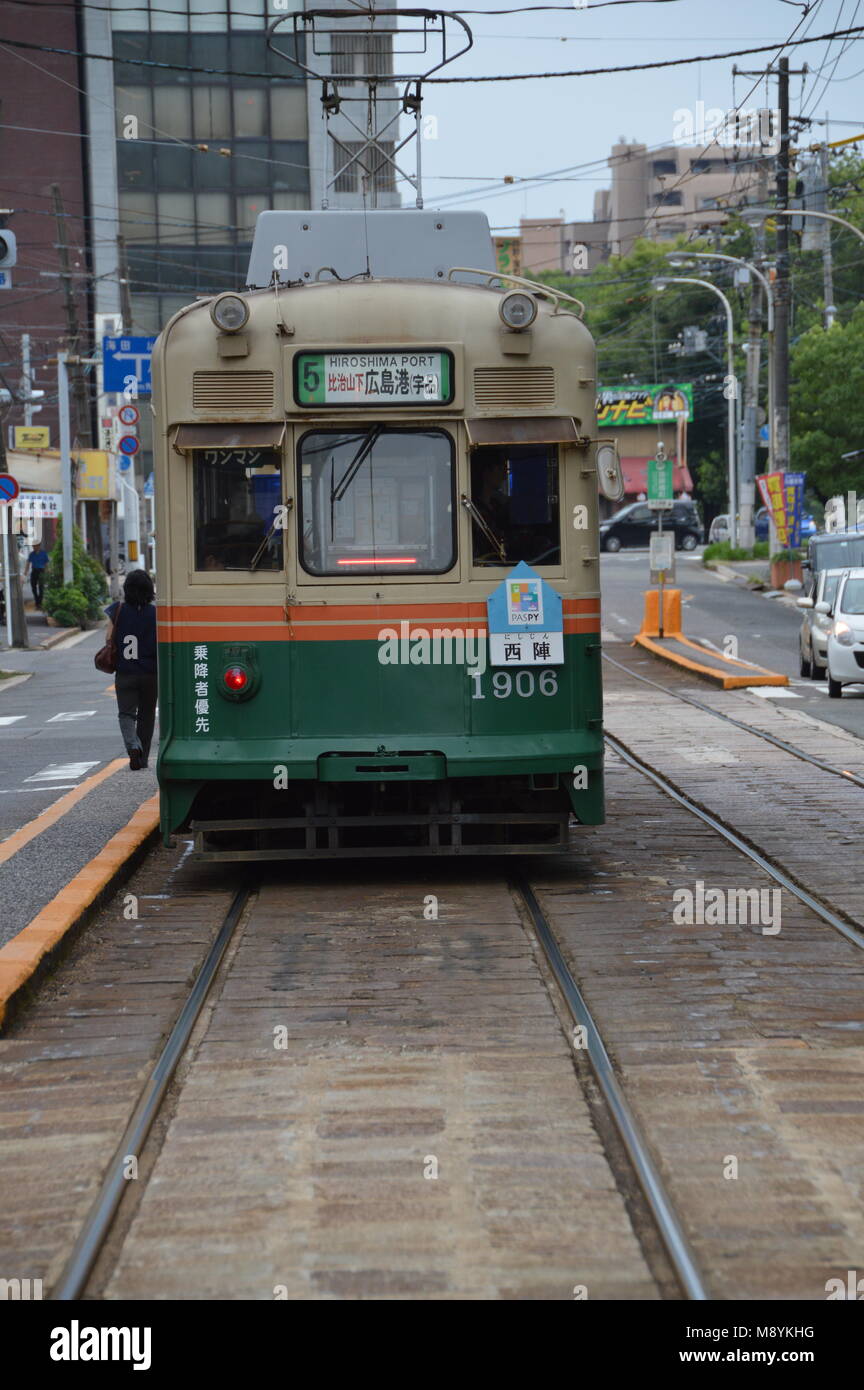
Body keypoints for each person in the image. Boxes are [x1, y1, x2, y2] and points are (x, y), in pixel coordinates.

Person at [104, 570, 158, 771]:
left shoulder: (117, 610)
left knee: (126, 714)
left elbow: (108, 638)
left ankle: (133, 746)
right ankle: (142, 759)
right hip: (151, 673)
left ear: (127, 589)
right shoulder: (155, 613)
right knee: (147, 715)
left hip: (125, 672)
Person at [25, 541, 49, 608]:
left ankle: (39, 602)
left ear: (39, 546)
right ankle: (37, 600)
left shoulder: (43, 553)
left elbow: (46, 563)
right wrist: (25, 573)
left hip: (41, 571)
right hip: (34, 570)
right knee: (33, 586)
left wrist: (47, 571)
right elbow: (28, 563)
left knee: (41, 587)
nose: (34, 547)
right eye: (33, 546)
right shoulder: (31, 554)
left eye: (35, 546)